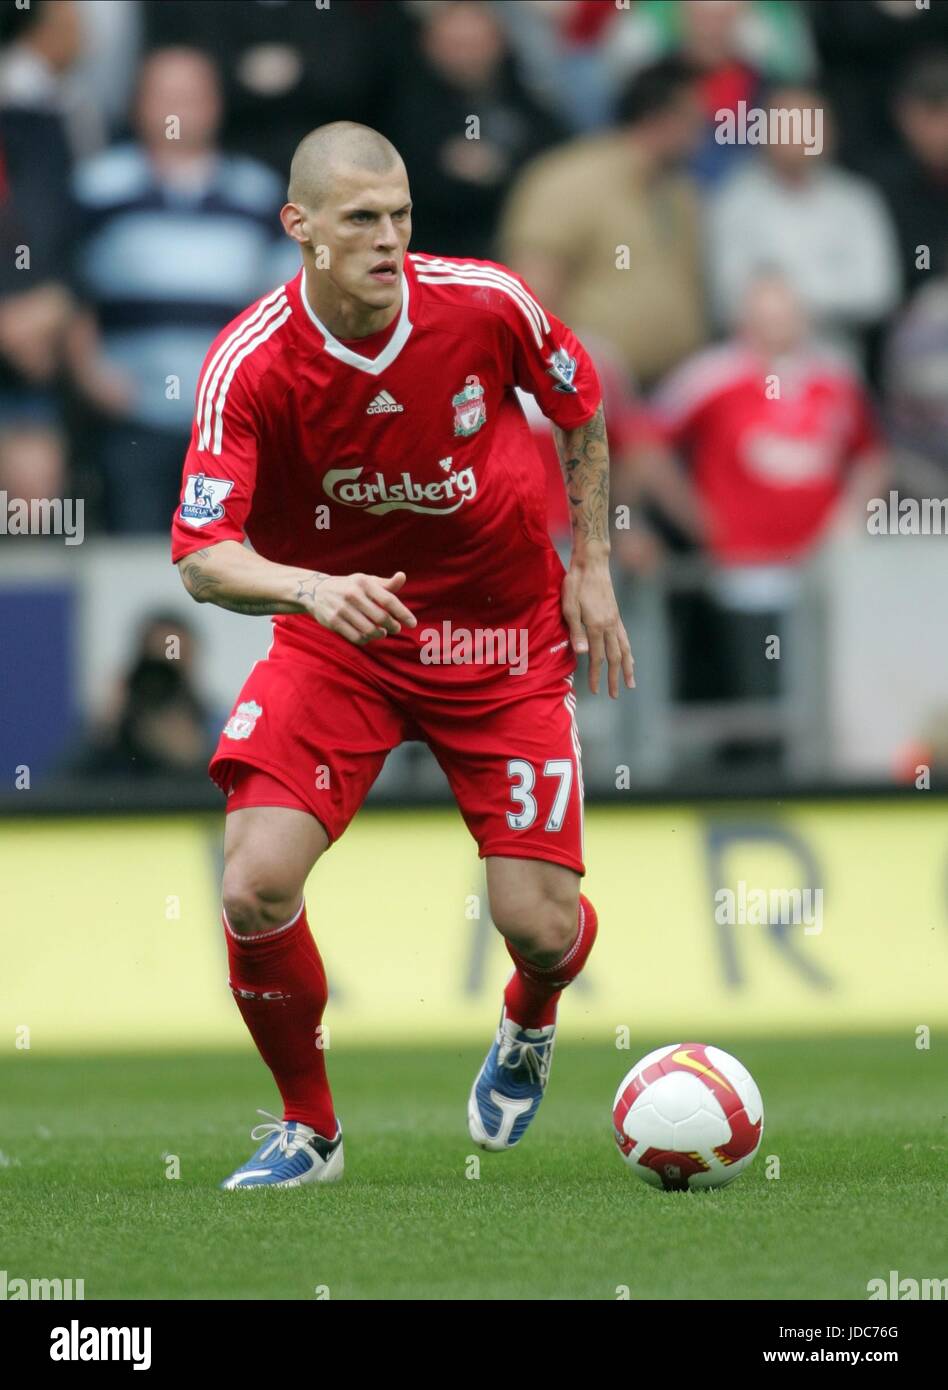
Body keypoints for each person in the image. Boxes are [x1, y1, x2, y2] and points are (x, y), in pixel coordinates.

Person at [171, 120, 634, 1189]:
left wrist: (592, 563)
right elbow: (202, 556)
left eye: (402, 216)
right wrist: (312, 588)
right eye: (362, 219)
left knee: (538, 924)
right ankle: (310, 1130)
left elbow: (581, 404)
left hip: (502, 638)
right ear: (301, 229)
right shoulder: (250, 363)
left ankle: (531, 1017)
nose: (390, 239)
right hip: (342, 641)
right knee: (252, 885)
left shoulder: (485, 303)